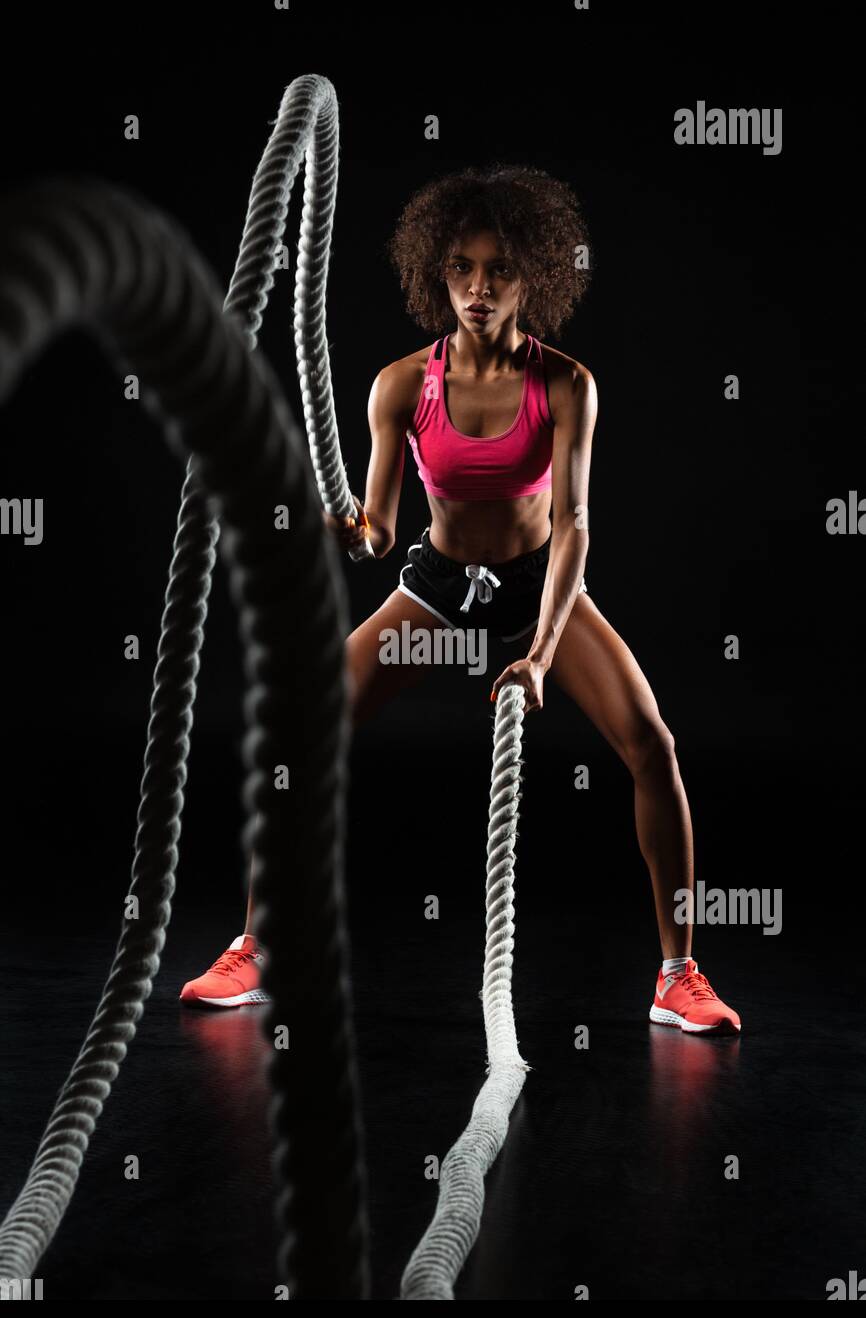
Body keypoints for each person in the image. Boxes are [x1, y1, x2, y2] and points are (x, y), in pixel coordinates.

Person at [180, 163, 740, 1035]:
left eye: (500, 270)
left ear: (534, 275)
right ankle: (257, 949)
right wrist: (352, 532)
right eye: (462, 270)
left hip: (536, 589)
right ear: (437, 274)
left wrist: (543, 654)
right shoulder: (402, 384)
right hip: (438, 590)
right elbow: (379, 527)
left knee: (652, 743)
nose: (479, 290)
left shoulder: (566, 385)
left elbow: (576, 527)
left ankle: (679, 975)